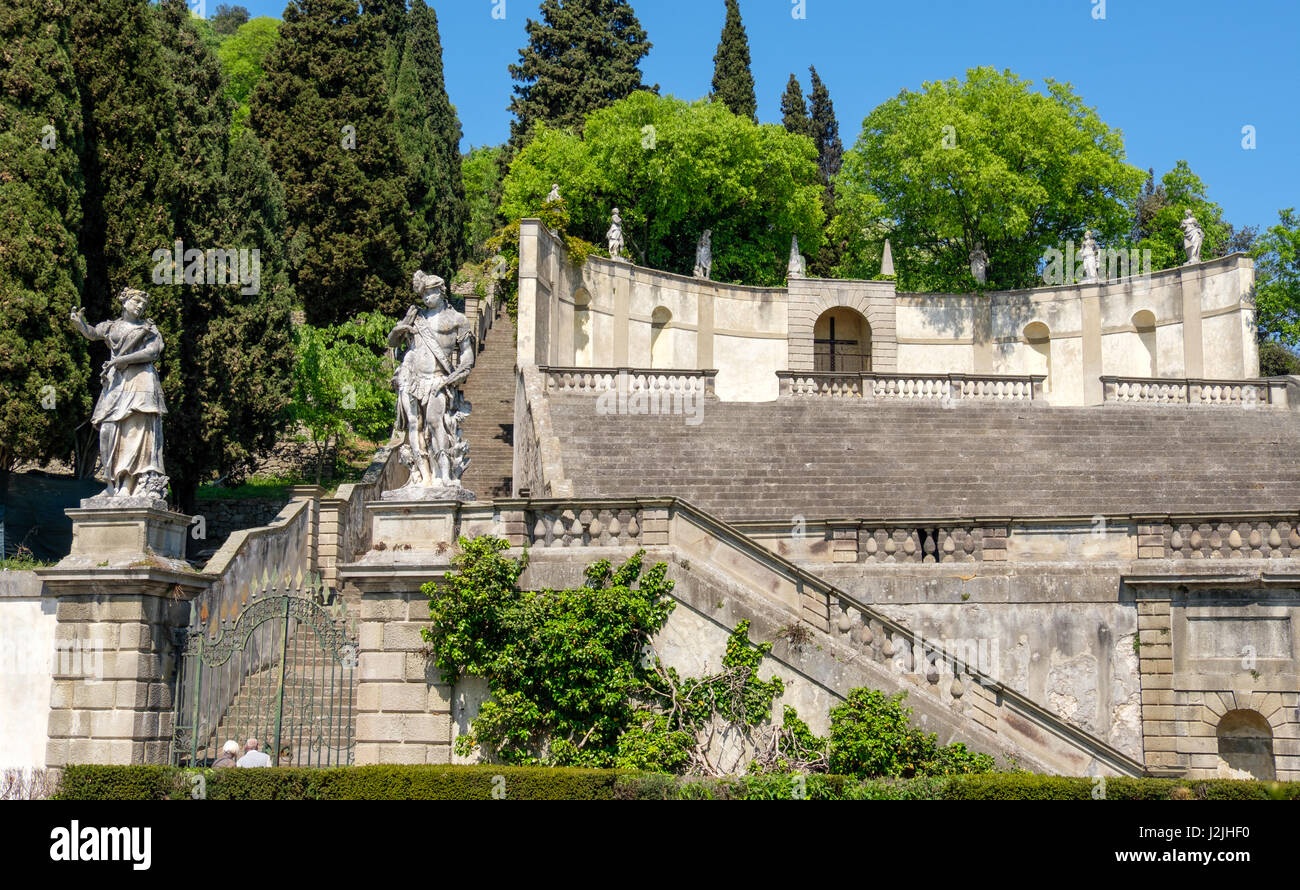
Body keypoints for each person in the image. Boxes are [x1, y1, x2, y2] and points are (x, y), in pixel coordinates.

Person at [69, 287, 168, 500]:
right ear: (124, 302)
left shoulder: (149, 328)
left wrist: (122, 360)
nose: (140, 306)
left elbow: (152, 352)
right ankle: (111, 484)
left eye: (144, 304)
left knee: (135, 431)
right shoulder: (112, 326)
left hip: (141, 381)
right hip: (115, 383)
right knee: (107, 428)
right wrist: (80, 324)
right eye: (136, 301)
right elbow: (93, 333)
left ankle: (129, 484)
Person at [388, 271, 475, 490]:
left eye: (430, 293)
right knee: (414, 425)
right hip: (412, 378)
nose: (426, 298)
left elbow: (467, 358)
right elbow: (392, 342)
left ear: (441, 291)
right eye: (424, 294)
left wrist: (452, 380)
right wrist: (400, 329)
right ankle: (422, 477)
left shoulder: (458, 320)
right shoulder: (417, 317)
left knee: (437, 424)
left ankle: (443, 475)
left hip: (438, 379)